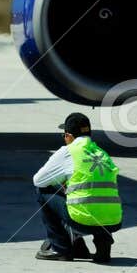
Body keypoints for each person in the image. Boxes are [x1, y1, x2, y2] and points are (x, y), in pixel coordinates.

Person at [33, 112, 121, 264]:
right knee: (97, 198)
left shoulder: (69, 151)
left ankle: (60, 248)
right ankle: (103, 249)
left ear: (68, 136)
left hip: (83, 220)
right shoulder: (102, 154)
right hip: (113, 222)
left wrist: (62, 184)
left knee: (43, 191)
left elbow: (38, 180)